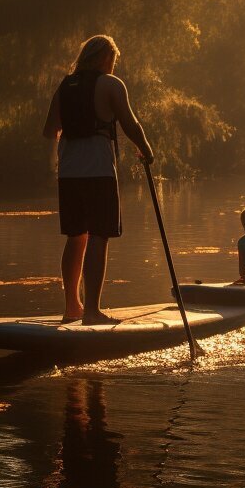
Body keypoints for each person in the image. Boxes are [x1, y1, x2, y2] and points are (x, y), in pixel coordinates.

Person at [42, 35, 153, 324]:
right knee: (98, 236)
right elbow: (130, 124)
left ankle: (72, 308)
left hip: (68, 174)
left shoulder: (65, 86)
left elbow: (49, 129)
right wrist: (147, 150)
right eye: (113, 61)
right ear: (106, 58)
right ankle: (92, 311)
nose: (113, 66)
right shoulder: (111, 84)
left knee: (75, 236)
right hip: (99, 171)